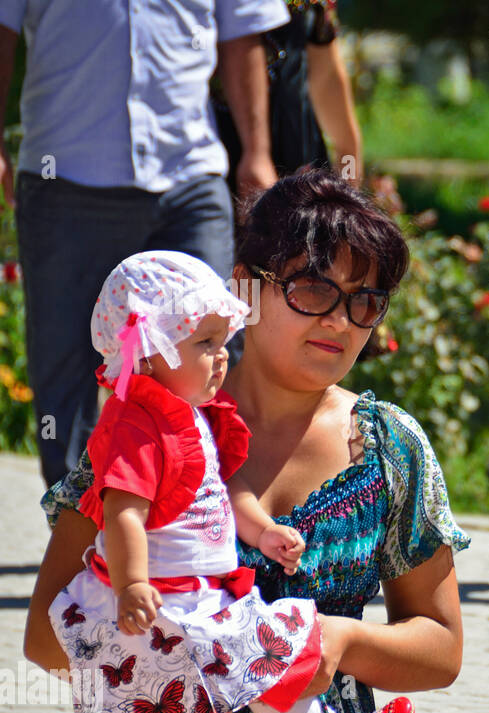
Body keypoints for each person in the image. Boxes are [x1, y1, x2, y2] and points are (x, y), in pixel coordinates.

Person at [26, 168, 469, 713]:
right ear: (243, 287)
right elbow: (46, 641)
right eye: (314, 288)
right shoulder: (139, 425)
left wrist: (339, 640)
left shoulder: (388, 448)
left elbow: (442, 648)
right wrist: (159, 631)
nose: (339, 321)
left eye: (365, 301)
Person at [0, 0, 288, 487]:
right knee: (65, 360)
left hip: (190, 175)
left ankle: (204, 523)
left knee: (218, 344)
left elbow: (241, 32)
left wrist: (257, 152)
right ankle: (80, 538)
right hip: (65, 173)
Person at [215, 0, 366, 187]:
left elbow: (327, 77)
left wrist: (348, 175)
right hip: (218, 168)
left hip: (300, 174)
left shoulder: (313, 8)